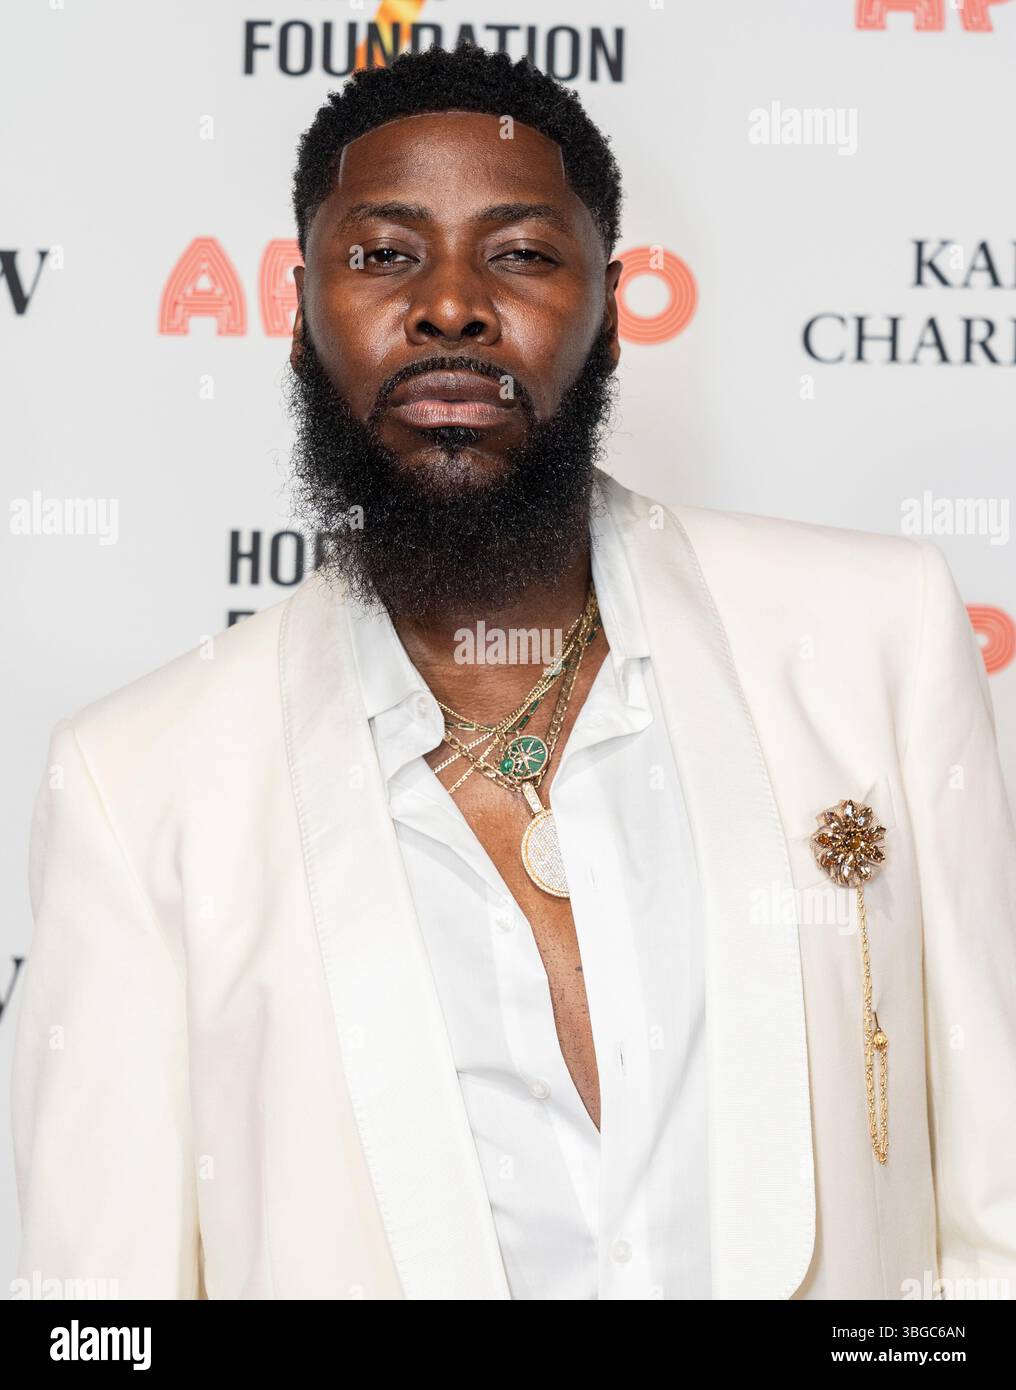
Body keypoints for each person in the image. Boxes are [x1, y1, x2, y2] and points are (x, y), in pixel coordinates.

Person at [11, 42, 1016, 1302]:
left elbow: (996, 1205)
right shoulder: (139, 782)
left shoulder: (871, 634)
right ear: (297, 312)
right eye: (383, 252)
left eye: (520, 252)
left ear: (609, 307)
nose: (449, 306)